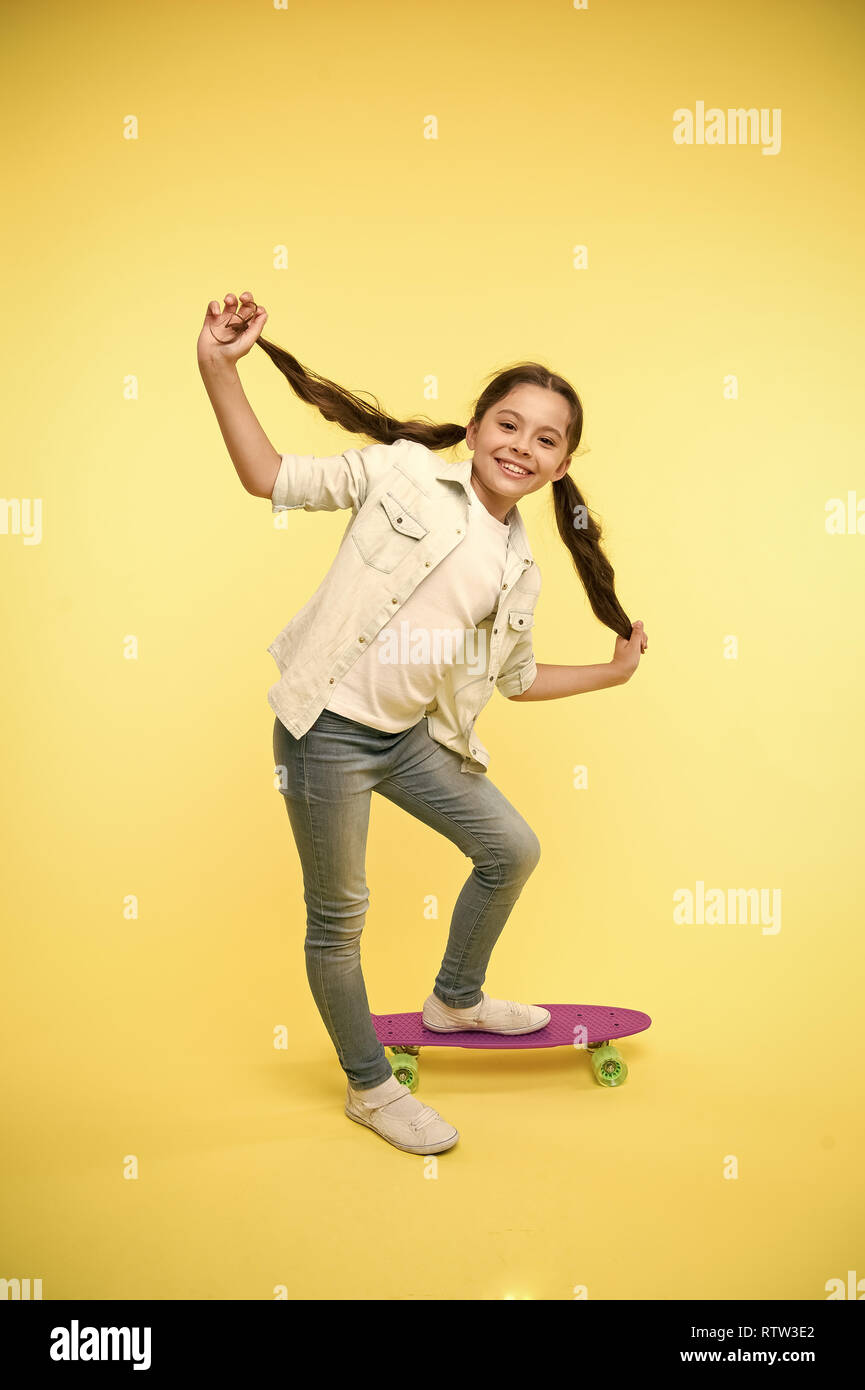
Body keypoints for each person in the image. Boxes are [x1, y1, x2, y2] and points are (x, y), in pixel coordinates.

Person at [197, 291, 648, 1156]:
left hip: (407, 742)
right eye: (507, 425)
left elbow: (515, 680)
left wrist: (612, 672)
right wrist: (218, 365)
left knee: (510, 849)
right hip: (325, 731)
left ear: (561, 465)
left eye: (545, 439)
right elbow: (270, 478)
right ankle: (370, 1087)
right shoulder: (400, 472)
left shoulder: (518, 569)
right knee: (340, 918)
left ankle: (456, 1000)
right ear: (474, 430)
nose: (521, 446)